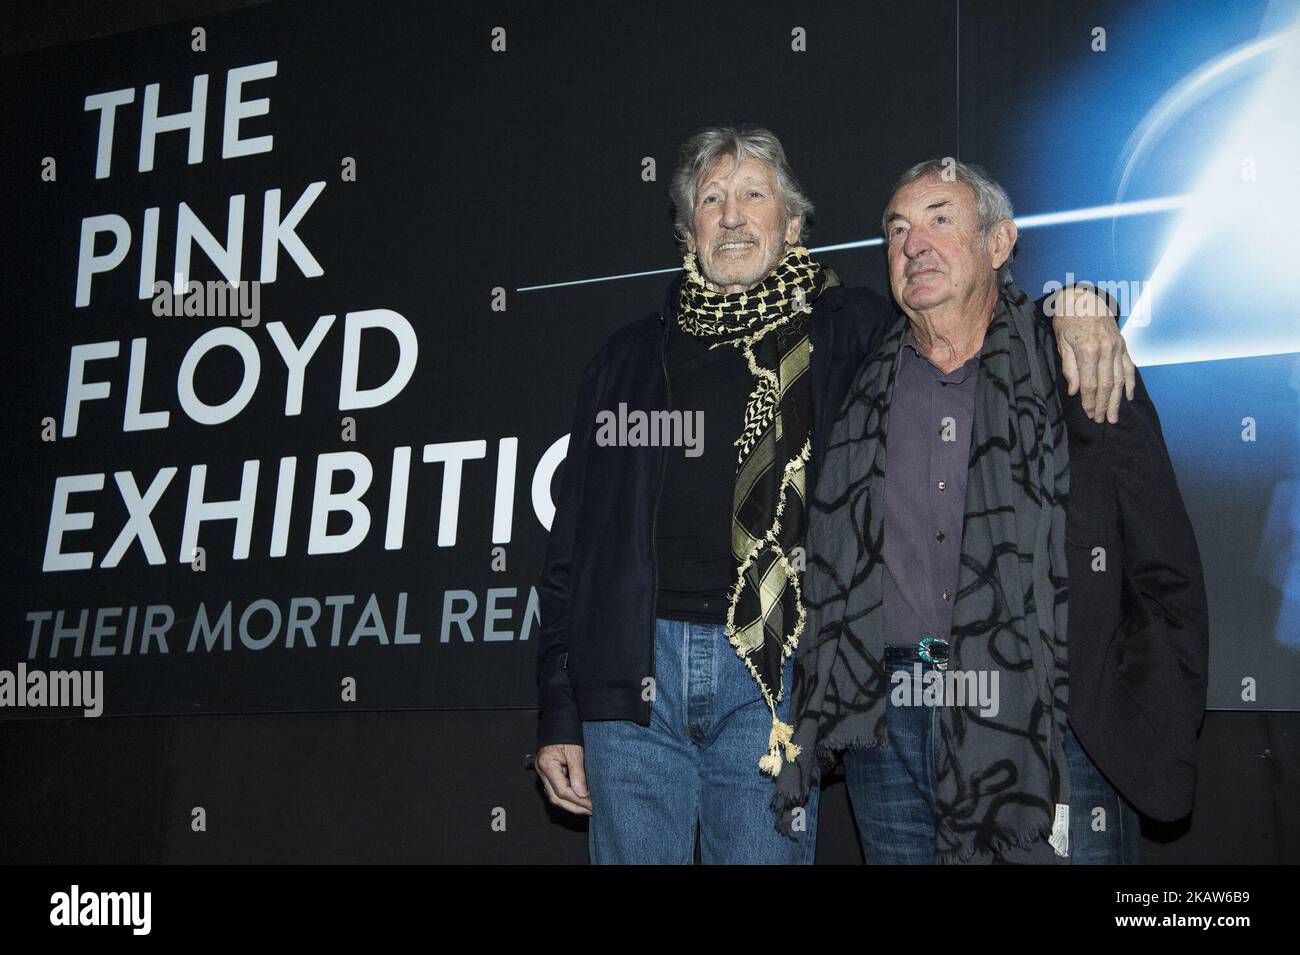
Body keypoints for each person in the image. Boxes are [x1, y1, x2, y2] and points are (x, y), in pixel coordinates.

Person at [536, 128, 1132, 864]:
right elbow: (574, 551)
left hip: (778, 671)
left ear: (791, 226)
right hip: (631, 679)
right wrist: (561, 709)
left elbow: (971, 311)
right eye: (712, 199)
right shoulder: (623, 361)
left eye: (754, 196)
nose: (731, 216)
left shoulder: (855, 328)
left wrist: (1079, 302)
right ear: (688, 230)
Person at [776, 158, 1206, 864]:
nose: (914, 245)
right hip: (888, 729)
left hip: (1056, 719)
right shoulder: (857, 378)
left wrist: (1152, 702)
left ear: (999, 243)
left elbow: (1166, 559)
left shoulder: (1077, 368)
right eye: (897, 229)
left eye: (941, 220)